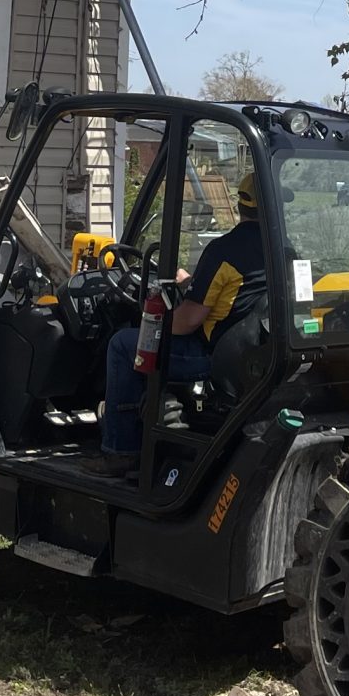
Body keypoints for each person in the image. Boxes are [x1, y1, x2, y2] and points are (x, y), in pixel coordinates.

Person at [98, 165, 266, 469]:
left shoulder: (224, 250)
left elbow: (186, 322)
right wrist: (192, 283)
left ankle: (119, 451)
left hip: (208, 356)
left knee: (123, 344)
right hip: (253, 355)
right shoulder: (283, 251)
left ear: (240, 204)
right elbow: (238, 293)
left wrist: (151, 319)